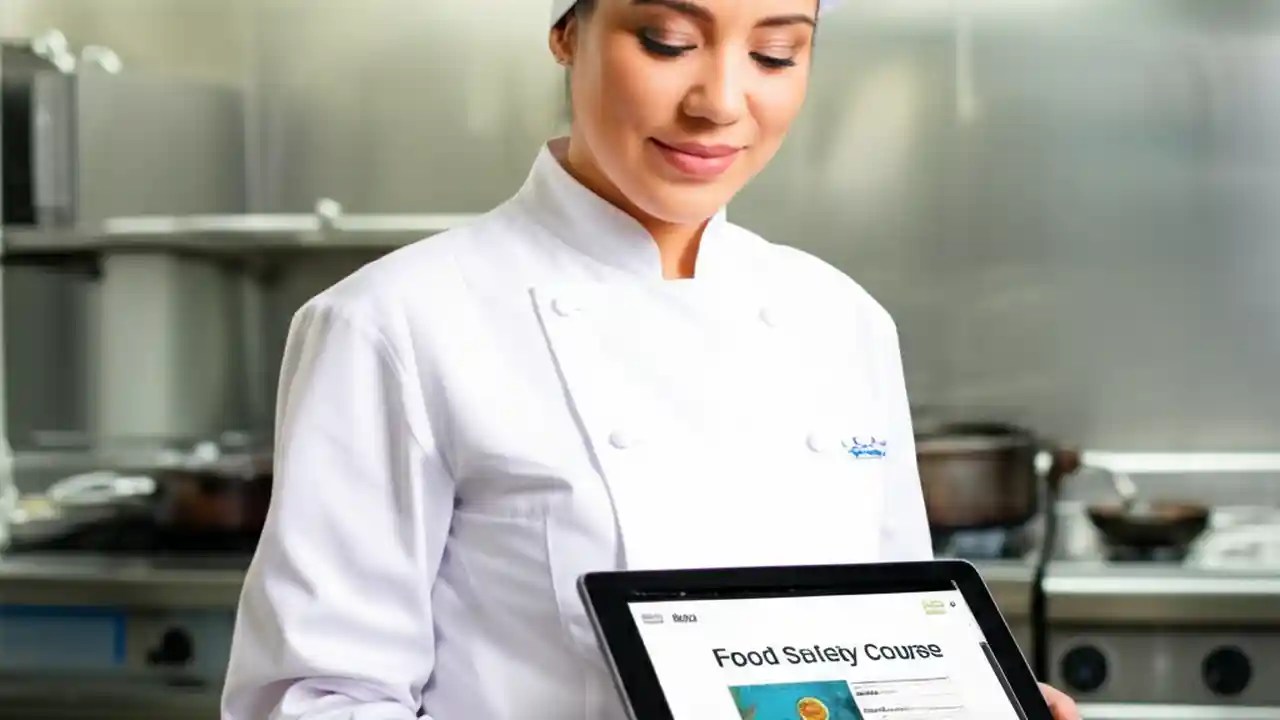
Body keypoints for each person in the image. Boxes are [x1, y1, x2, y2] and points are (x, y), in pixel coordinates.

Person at [221, 1, 1081, 718]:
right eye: (667, 42)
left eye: (776, 54)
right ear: (567, 32)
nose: (720, 102)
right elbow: (317, 698)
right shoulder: (396, 324)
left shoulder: (842, 319)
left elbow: (888, 648)